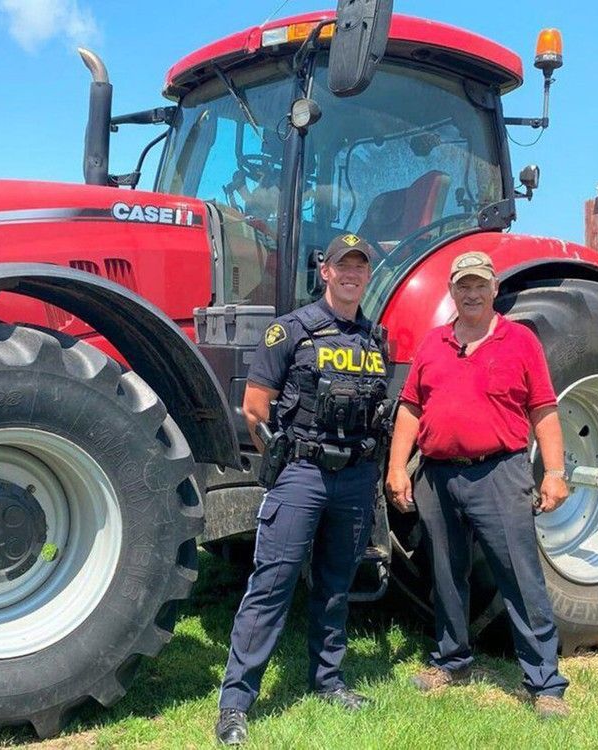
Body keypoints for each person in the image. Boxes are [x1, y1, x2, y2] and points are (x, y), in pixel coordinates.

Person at [215, 233, 390, 745]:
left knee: (336, 585)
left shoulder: (375, 339)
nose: (353, 273)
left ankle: (328, 680)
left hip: (356, 477)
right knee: (273, 584)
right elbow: (255, 407)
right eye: (344, 266)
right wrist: (286, 458)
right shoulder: (289, 332)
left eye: (361, 266)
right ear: (326, 271)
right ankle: (235, 704)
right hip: (303, 474)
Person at [385, 250, 572, 719]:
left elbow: (544, 408)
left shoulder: (520, 340)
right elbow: (410, 407)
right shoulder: (433, 344)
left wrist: (554, 472)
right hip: (438, 475)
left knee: (519, 575)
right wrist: (396, 467)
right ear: (452, 291)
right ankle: (452, 661)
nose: (471, 294)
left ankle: (544, 682)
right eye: (462, 286)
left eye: (479, 286)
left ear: (494, 290)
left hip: (499, 472)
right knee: (445, 574)